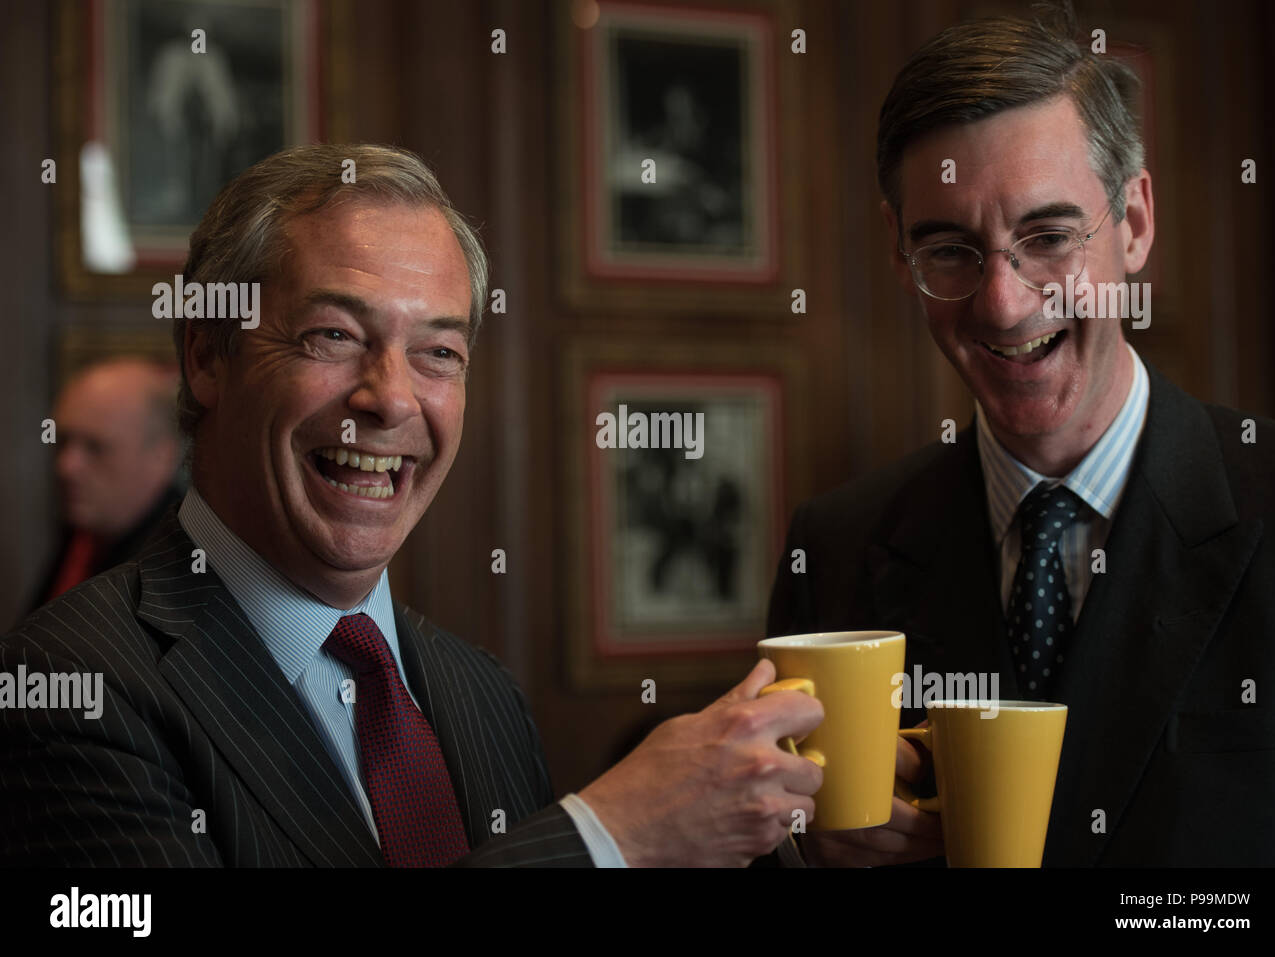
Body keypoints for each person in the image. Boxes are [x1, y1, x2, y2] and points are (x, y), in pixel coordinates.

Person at [0, 144, 823, 867]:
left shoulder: (482, 692)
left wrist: (773, 838)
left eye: (437, 351)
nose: (391, 398)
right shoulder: (67, 682)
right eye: (334, 335)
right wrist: (607, 836)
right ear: (207, 355)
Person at [768, 6, 1275, 866]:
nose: (1004, 304)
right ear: (900, 254)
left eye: (1048, 237)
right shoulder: (834, 548)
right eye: (950, 250)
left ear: (1134, 223)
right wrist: (802, 848)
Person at [25, 358, 185, 617]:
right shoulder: (85, 535)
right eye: (62, 441)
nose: (66, 466)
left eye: (95, 447)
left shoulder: (172, 571)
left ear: (162, 456)